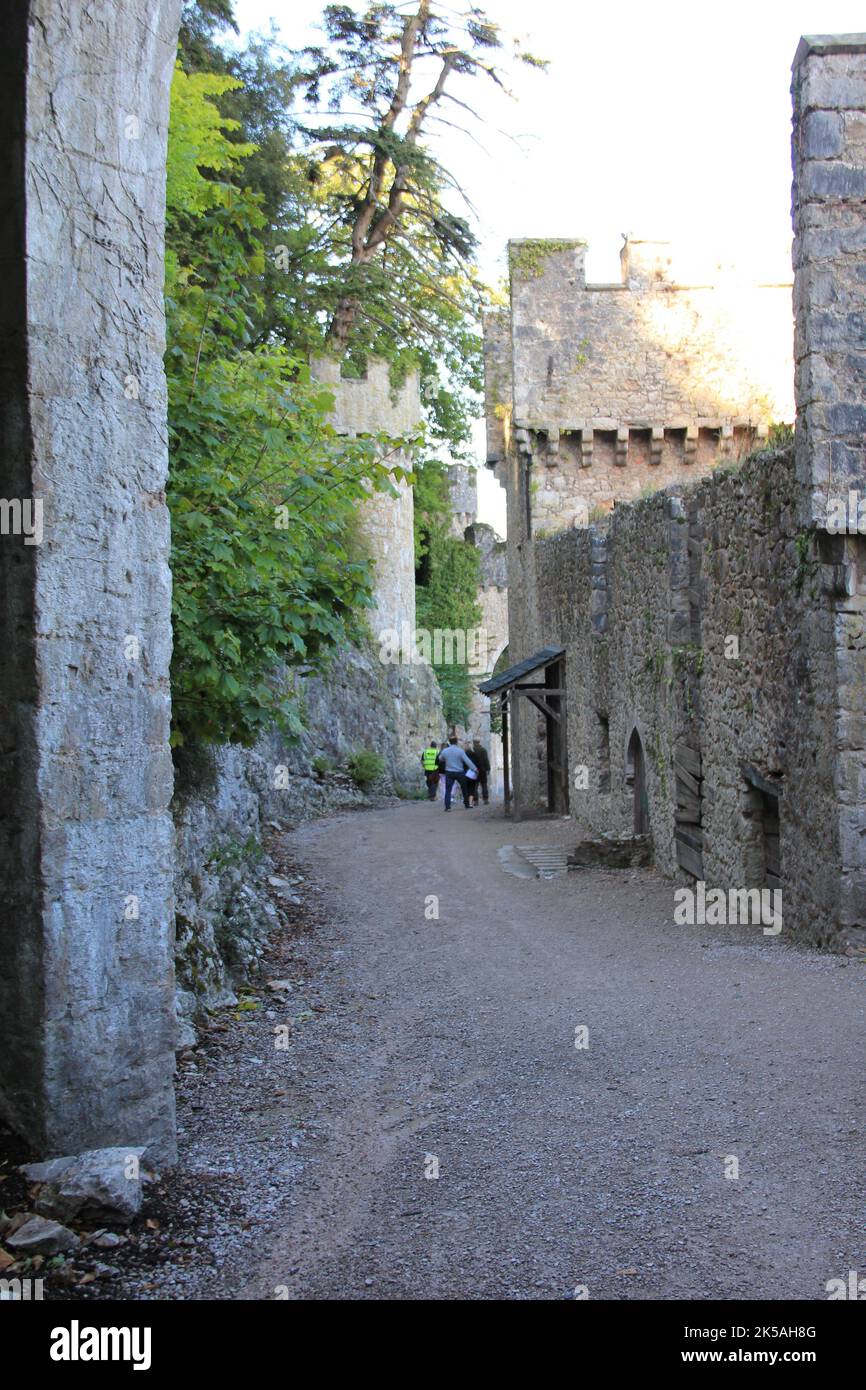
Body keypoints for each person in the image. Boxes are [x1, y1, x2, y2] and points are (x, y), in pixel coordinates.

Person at [438, 736, 475, 812]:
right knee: (464, 788)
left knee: (448, 790)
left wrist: (446, 759)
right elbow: (467, 761)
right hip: (460, 772)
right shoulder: (460, 751)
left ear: (449, 742)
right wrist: (474, 768)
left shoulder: (445, 751)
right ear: (456, 742)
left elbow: (440, 758)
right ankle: (466, 804)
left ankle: (448, 807)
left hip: (449, 772)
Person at [469, 738, 491, 805]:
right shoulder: (483, 750)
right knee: (484, 785)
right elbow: (486, 760)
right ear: (479, 742)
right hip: (482, 770)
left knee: (475, 786)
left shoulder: (471, 750)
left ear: (474, 743)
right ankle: (486, 800)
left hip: (474, 770)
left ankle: (476, 801)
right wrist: (488, 769)